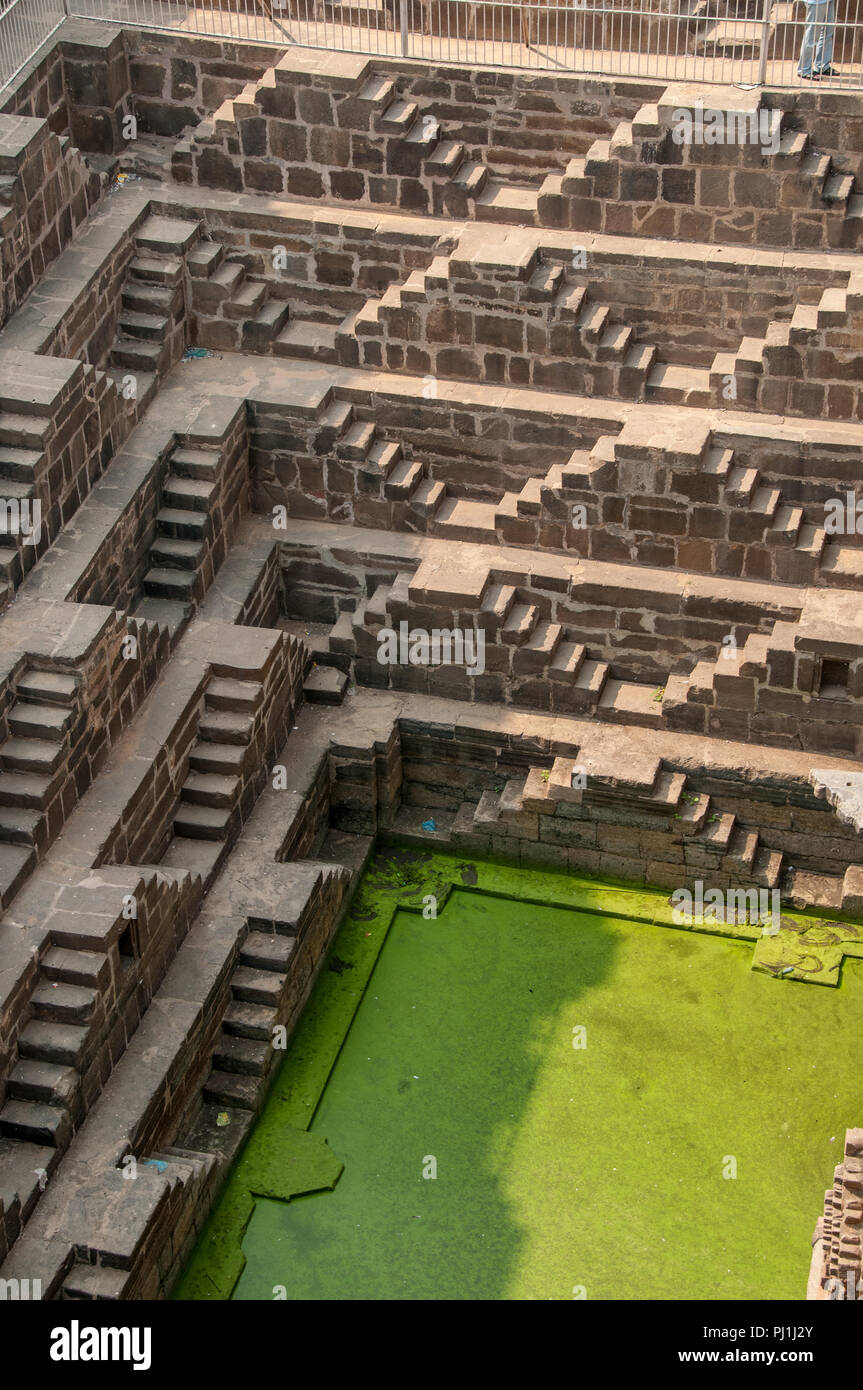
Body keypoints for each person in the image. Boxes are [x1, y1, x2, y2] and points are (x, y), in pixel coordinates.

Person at [797, 0, 839, 78]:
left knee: (827, 32)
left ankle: (822, 66)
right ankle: (804, 70)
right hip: (816, 2)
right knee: (812, 35)